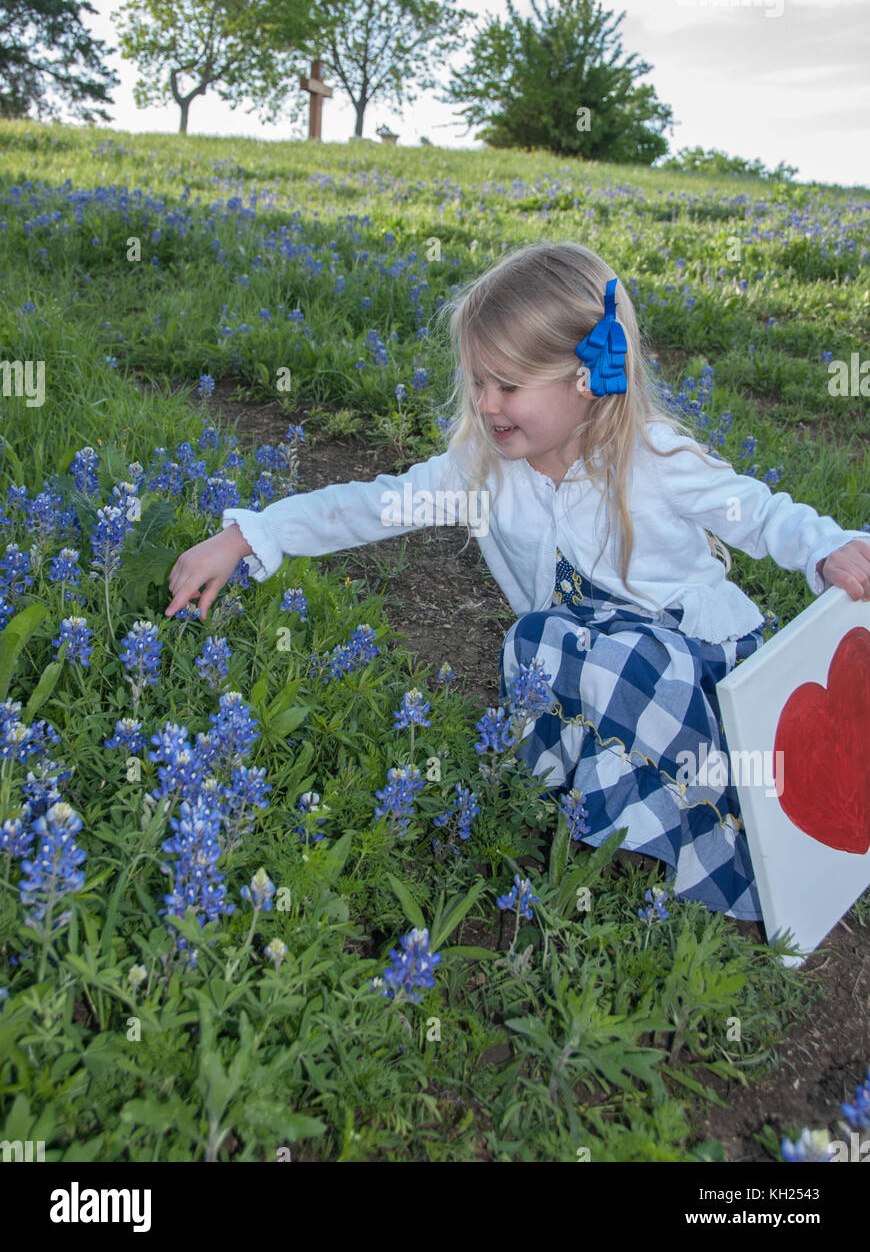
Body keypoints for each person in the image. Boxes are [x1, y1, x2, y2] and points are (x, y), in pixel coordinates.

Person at [165, 241, 870, 921]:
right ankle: (612, 828)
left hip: (695, 672)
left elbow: (758, 512)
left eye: (508, 385)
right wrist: (251, 534)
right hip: (587, 662)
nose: (487, 405)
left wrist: (826, 549)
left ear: (586, 378)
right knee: (539, 646)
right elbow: (369, 505)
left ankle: (741, 840)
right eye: (477, 382)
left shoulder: (654, 456)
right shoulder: (478, 473)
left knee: (591, 653)